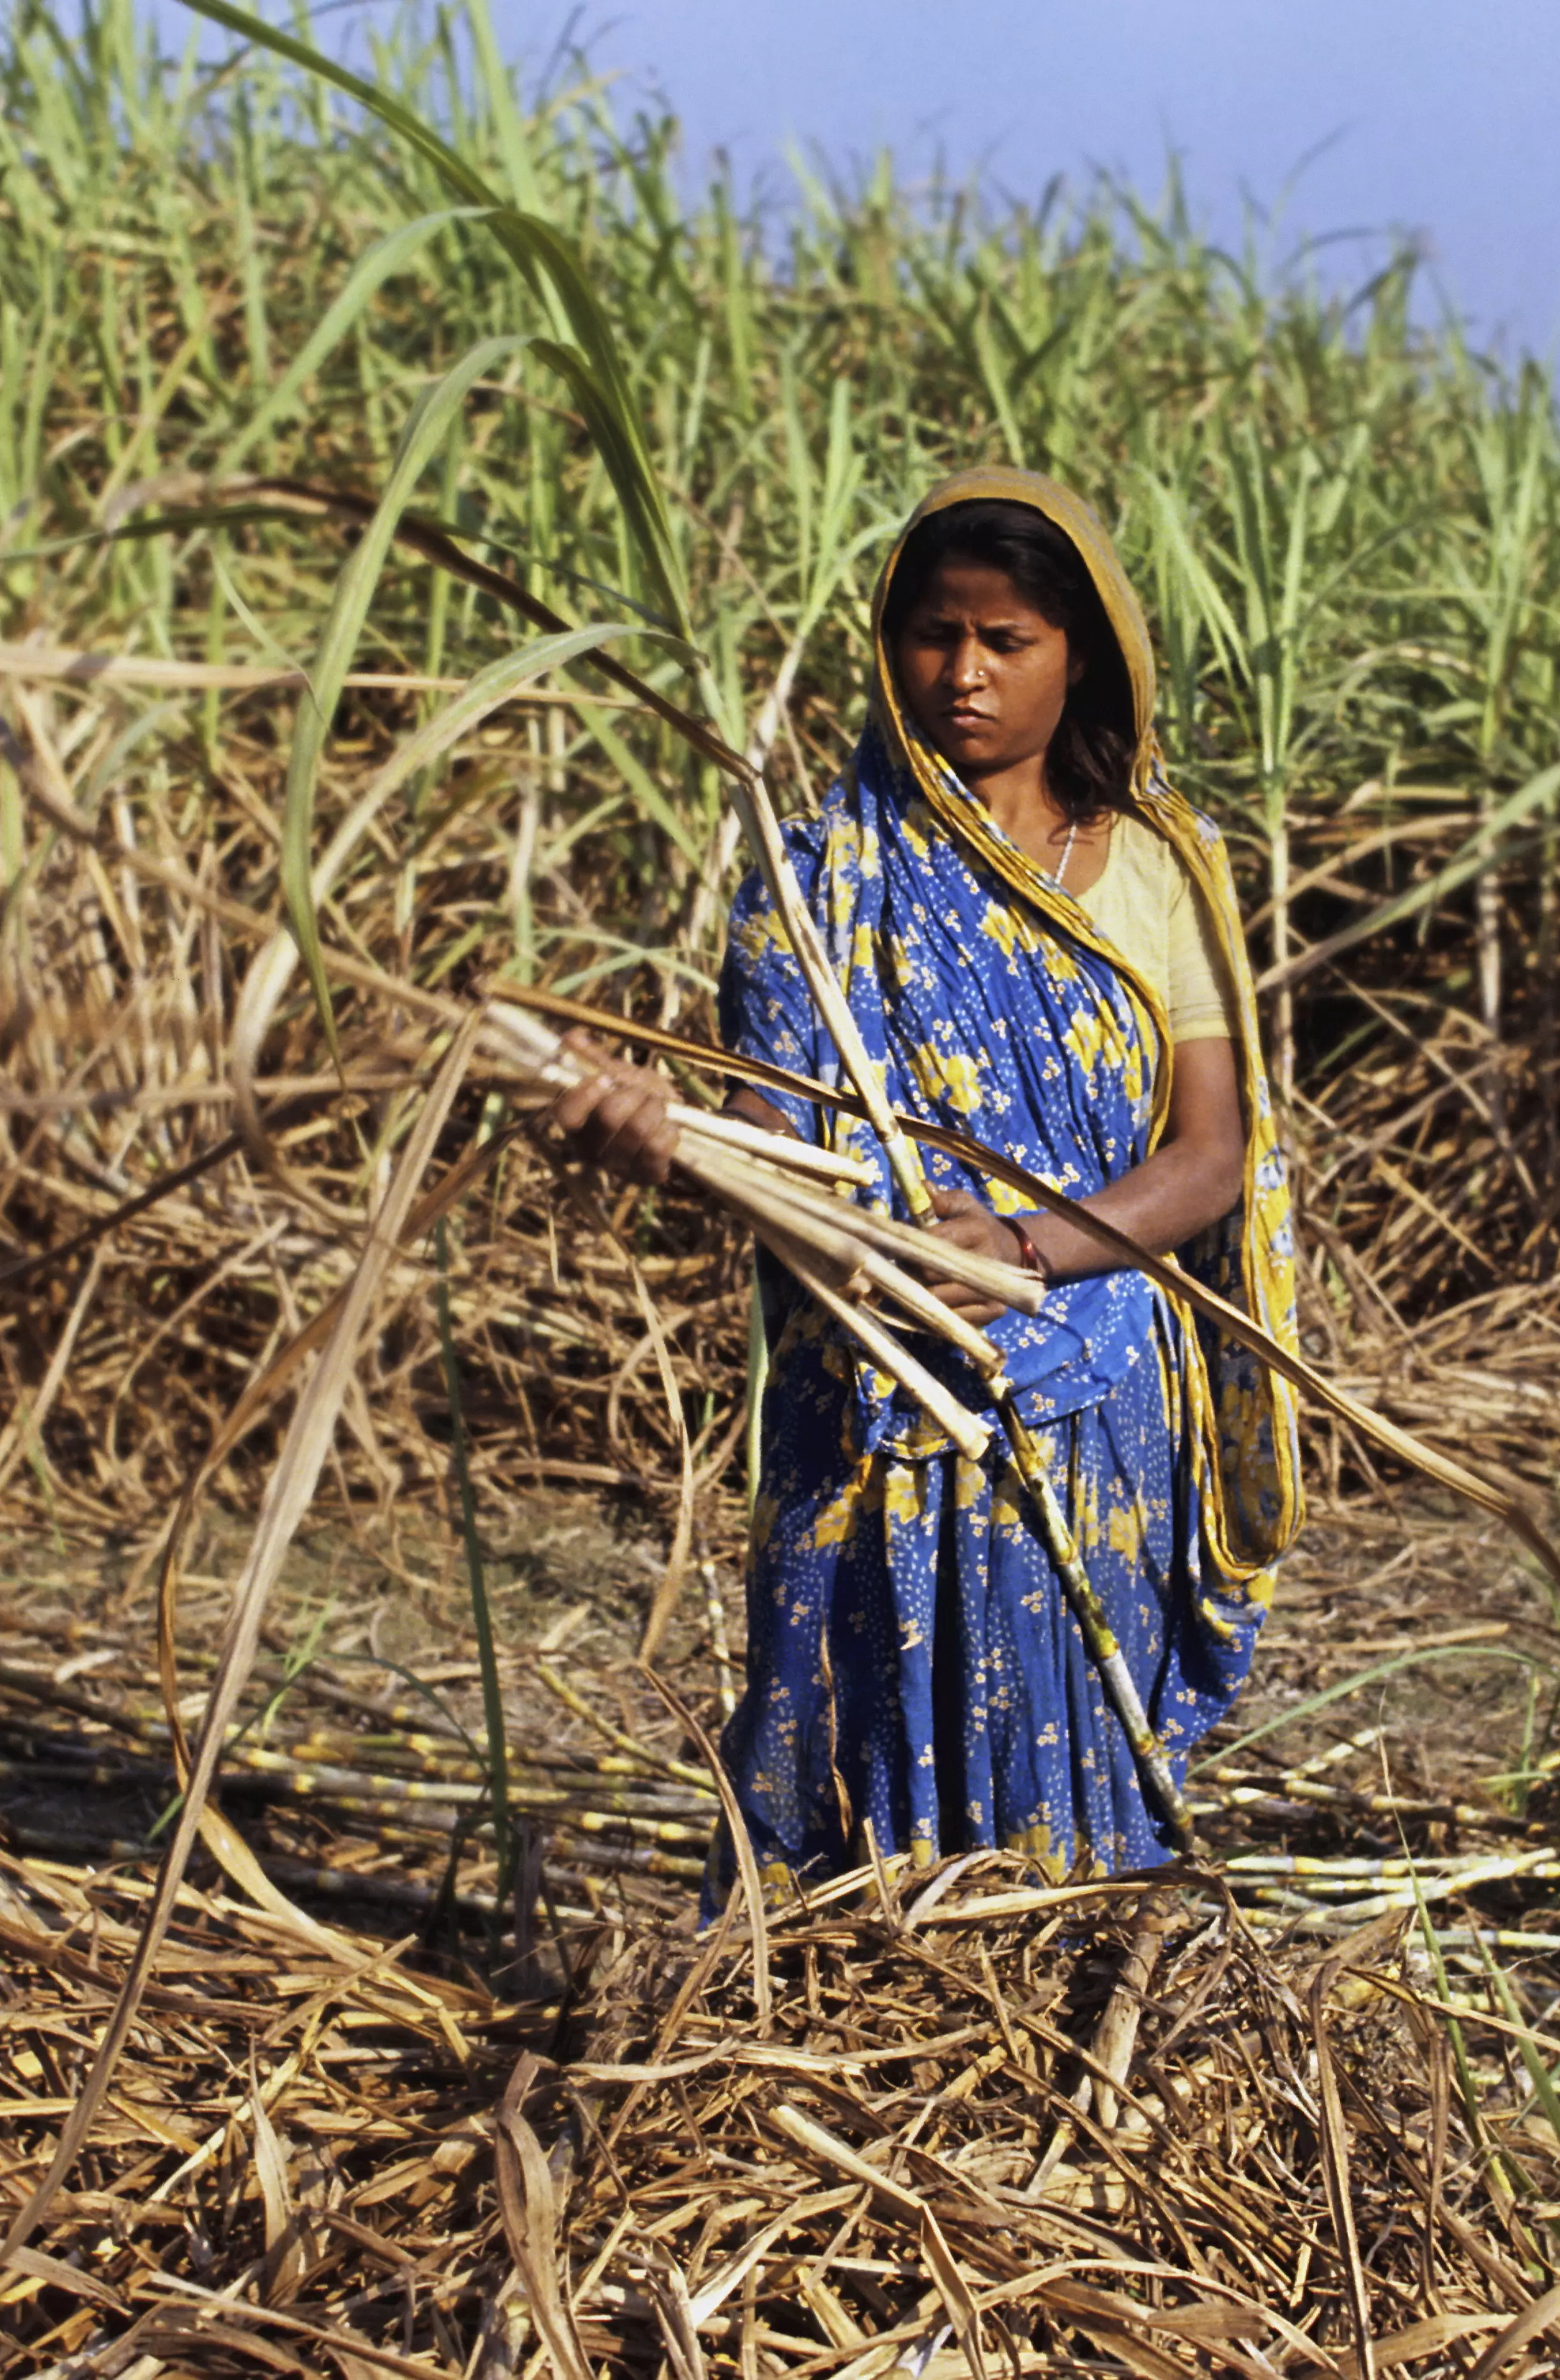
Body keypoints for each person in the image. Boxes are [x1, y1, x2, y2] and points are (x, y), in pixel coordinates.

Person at [545, 466, 1302, 1879]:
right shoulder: (820, 879)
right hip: (870, 1386)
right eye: (931, 635)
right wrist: (672, 1144)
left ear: (1082, 658)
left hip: (1086, 1399)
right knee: (855, 1748)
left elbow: (1207, 1159)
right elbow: (787, 1168)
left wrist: (1016, 1248)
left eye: (1006, 641)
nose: (964, 674)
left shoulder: (1158, 868)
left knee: (1065, 1786)